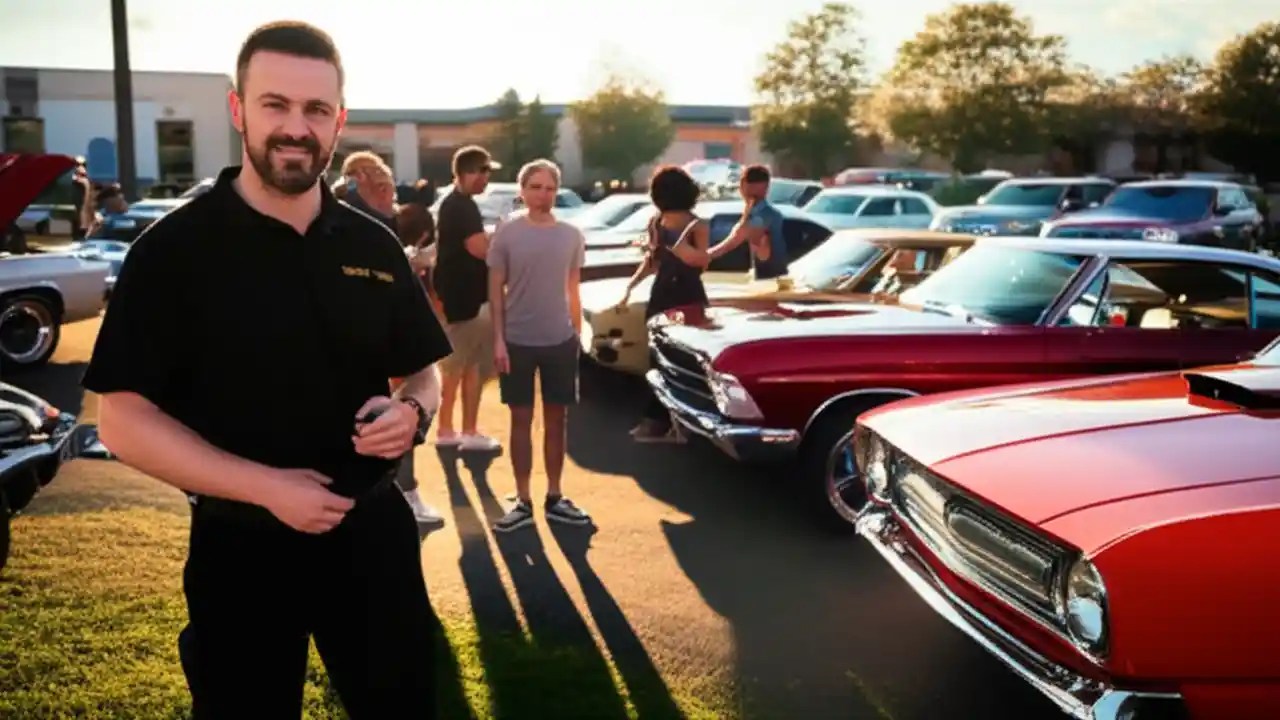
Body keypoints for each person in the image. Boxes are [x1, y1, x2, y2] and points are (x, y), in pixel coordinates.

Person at [81, 21, 450, 719]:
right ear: (238, 109)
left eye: (316, 110)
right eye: (275, 104)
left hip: (372, 538)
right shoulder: (174, 251)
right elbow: (122, 422)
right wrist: (266, 488)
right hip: (240, 548)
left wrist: (412, 413)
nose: (296, 128)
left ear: (338, 120)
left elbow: (422, 374)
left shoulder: (373, 244)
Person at [487, 159, 592, 532]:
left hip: (559, 340)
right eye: (535, 187)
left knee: (557, 420)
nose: (542, 194)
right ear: (522, 190)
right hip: (517, 340)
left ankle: (555, 495)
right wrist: (498, 340)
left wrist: (577, 333)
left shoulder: (571, 235)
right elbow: (495, 290)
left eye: (549, 188)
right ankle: (522, 500)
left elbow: (573, 289)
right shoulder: (507, 233)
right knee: (520, 420)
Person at [617, 165, 711, 442]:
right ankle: (662, 423)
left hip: (682, 295)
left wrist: (676, 245)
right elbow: (653, 261)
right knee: (663, 359)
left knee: (679, 359)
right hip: (672, 295)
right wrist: (630, 287)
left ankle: (675, 424)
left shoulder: (696, 225)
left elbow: (700, 261)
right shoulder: (659, 222)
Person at [434, 145, 501, 452]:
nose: (486, 178)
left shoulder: (456, 204)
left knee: (466, 366)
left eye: (487, 172)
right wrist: (498, 239)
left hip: (462, 299)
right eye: (482, 171)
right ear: (465, 173)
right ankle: (453, 429)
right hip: (466, 301)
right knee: (460, 366)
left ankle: (459, 429)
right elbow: (479, 249)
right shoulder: (462, 207)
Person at [707, 164, 788, 279]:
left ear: (743, 186)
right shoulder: (766, 214)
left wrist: (703, 257)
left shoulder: (761, 216)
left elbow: (732, 242)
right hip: (770, 277)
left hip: (769, 279)